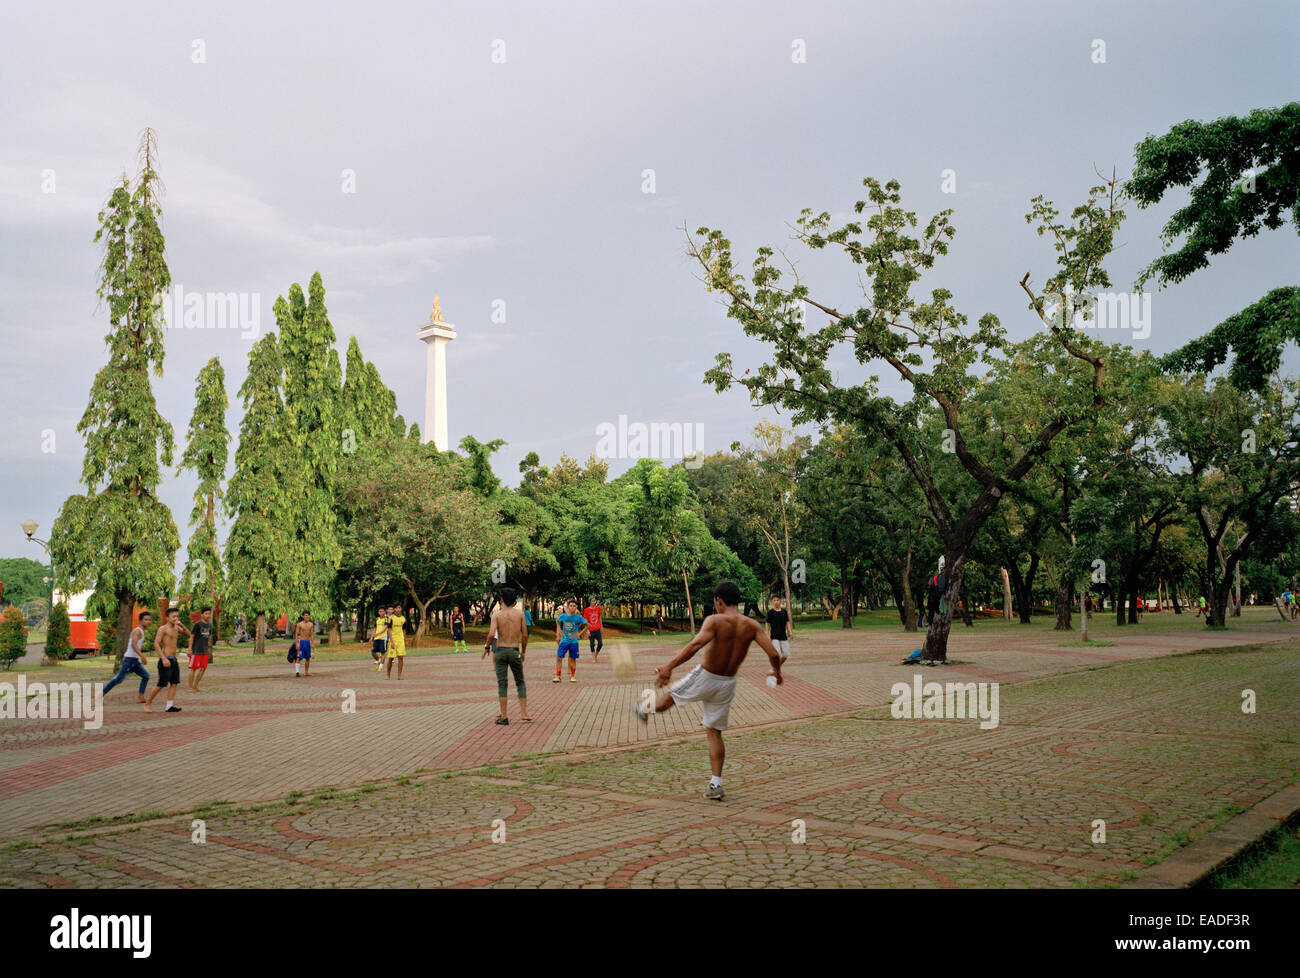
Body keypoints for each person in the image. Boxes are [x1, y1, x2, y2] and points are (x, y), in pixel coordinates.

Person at [635, 581, 783, 801]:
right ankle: (716, 784)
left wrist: (668, 667)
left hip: (706, 676)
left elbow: (695, 646)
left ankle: (642, 707)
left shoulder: (715, 620)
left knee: (669, 699)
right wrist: (777, 673)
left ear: (719, 601)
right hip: (727, 684)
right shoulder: (751, 625)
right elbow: (773, 653)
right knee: (714, 732)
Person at [483, 587, 530, 725]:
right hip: (514, 650)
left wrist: (487, 647)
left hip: (500, 651)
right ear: (515, 602)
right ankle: (523, 713)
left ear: (502, 600)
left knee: (502, 684)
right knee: (520, 682)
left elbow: (491, 635)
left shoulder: (496, 615)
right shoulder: (520, 614)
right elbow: (525, 635)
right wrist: (523, 651)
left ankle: (504, 716)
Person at [146, 607, 190, 713]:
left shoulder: (177, 628)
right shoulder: (163, 628)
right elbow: (156, 643)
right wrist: (163, 658)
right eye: (173, 616)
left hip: (174, 660)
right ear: (167, 618)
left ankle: (169, 706)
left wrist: (181, 625)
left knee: (174, 683)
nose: (176, 618)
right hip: (165, 660)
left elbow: (189, 634)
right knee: (161, 684)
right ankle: (148, 703)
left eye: (177, 616)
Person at [104, 611, 152, 702]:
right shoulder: (138, 631)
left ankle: (140, 697)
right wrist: (142, 656)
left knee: (146, 676)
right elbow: (134, 645)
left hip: (134, 660)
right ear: (141, 621)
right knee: (118, 680)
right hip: (129, 660)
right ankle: (100, 695)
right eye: (146, 619)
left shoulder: (140, 630)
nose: (148, 621)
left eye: (149, 620)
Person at [553, 597, 588, 683]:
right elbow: (557, 621)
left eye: (574, 606)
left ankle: (572, 676)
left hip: (574, 642)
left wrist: (579, 633)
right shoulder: (563, 616)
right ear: (568, 607)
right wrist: (559, 631)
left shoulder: (578, 617)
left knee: (573, 659)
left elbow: (587, 625)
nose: (572, 607)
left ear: (576, 607)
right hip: (564, 641)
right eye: (571, 606)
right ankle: (558, 676)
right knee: (559, 657)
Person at [187, 607, 214, 692]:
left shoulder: (209, 625)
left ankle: (195, 686)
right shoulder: (197, 624)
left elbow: (207, 637)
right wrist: (190, 649)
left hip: (205, 651)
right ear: (202, 615)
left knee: (203, 668)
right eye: (206, 614)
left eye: (209, 613)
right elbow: (192, 636)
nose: (208, 615)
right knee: (193, 668)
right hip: (196, 650)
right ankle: (190, 687)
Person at [765, 595, 792, 662]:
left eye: (777, 600)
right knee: (778, 654)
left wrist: (790, 632)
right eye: (774, 600)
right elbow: (767, 624)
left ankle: (776, 667)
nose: (776, 602)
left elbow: (787, 622)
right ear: (772, 602)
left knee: (785, 655)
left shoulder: (784, 612)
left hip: (783, 636)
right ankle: (776, 669)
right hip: (774, 637)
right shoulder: (770, 613)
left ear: (780, 601)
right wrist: (767, 634)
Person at [385, 605, 407, 679]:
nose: (398, 609)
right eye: (396, 608)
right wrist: (392, 642)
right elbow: (389, 630)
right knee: (391, 658)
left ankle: (399, 675)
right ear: (394, 609)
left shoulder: (403, 619)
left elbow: (404, 630)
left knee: (401, 658)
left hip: (400, 641)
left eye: (399, 608)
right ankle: (388, 675)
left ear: (401, 609)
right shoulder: (391, 618)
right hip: (393, 641)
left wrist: (405, 640)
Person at [292, 612, 314, 677]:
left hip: (307, 642)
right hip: (301, 642)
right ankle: (297, 672)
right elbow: (296, 634)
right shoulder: (299, 624)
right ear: (303, 616)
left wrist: (312, 643)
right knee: (298, 657)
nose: (307, 617)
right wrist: (297, 643)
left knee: (308, 658)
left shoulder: (311, 624)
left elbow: (312, 634)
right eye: (305, 615)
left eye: (308, 615)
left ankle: (306, 672)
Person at [583, 597, 603, 662]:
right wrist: (587, 630)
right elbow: (585, 621)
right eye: (593, 601)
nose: (594, 602)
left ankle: (595, 655)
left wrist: (601, 626)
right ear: (590, 602)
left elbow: (599, 617)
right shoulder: (586, 610)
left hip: (597, 628)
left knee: (600, 644)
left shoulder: (598, 608)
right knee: (592, 644)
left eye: (595, 600)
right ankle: (594, 659)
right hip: (591, 629)